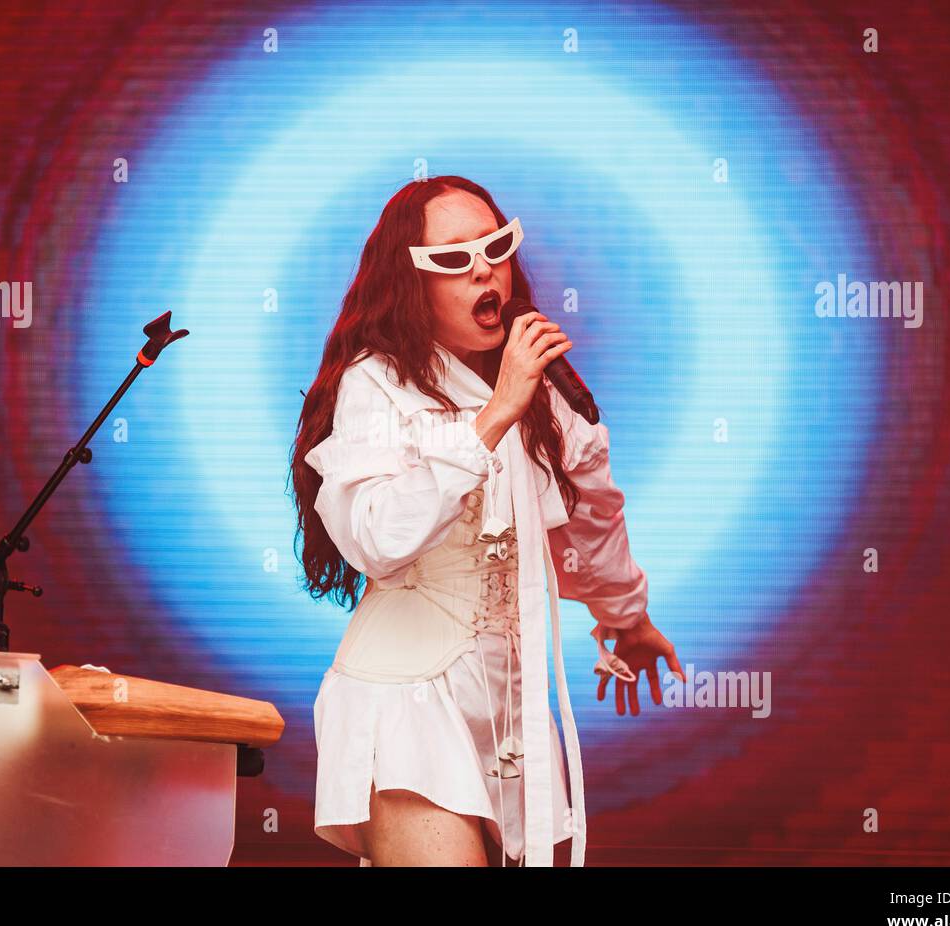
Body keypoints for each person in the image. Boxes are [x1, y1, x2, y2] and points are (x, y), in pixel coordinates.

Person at [290, 175, 683, 867]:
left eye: (494, 247)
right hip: (406, 698)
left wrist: (627, 616)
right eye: (451, 259)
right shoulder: (373, 384)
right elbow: (377, 540)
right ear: (409, 283)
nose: (482, 269)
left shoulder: (540, 392)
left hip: (508, 712)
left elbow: (594, 521)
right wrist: (493, 416)